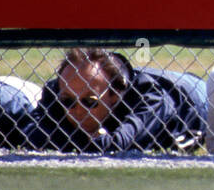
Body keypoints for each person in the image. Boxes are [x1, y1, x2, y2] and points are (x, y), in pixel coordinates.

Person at [24, 48, 204, 153]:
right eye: (68, 102)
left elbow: (117, 145)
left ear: (115, 94)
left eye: (90, 101)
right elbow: (31, 133)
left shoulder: (149, 97)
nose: (78, 110)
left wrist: (60, 136)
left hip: (197, 95)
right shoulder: (64, 88)